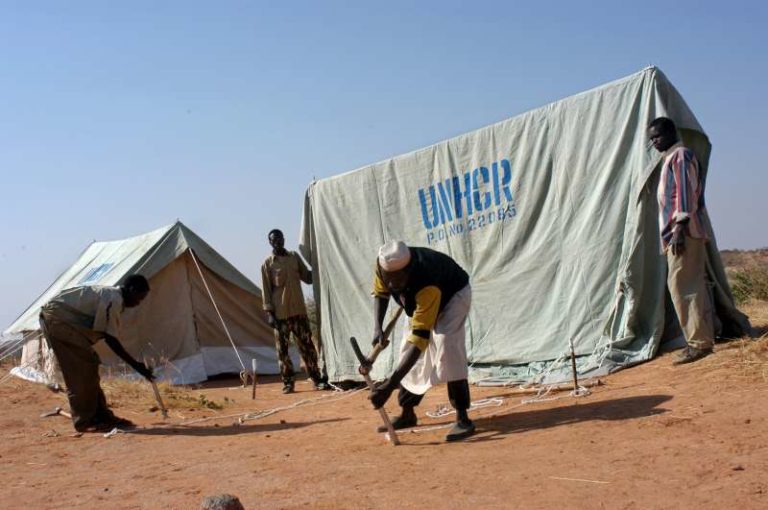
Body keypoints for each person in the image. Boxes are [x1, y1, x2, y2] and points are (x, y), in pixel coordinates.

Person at [367, 240, 475, 442]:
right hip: (418, 301)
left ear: (409, 270)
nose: (392, 284)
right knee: (406, 350)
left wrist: (389, 386)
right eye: (388, 278)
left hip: (453, 296)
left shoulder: (427, 280)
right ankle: (408, 413)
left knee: (447, 347)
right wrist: (377, 328)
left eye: (398, 279)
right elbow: (381, 294)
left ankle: (463, 418)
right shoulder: (383, 266)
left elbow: (420, 341)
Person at [38, 274, 154, 432]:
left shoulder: (114, 298)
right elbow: (110, 338)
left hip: (62, 320)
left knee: (90, 365)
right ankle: (84, 421)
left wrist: (138, 366)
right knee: (80, 372)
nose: (137, 303)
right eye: (139, 298)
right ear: (131, 290)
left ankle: (101, 415)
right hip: (58, 321)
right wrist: (137, 366)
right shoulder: (113, 300)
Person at [648, 117, 714, 365]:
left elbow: (686, 193)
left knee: (682, 287)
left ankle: (698, 344)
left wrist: (679, 228)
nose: (654, 142)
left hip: (683, 233)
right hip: (679, 232)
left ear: (670, 133)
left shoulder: (681, 156)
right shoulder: (671, 159)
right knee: (688, 285)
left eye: (657, 136)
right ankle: (701, 339)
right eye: (652, 139)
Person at [261, 229, 329, 393]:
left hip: (299, 311)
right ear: (270, 243)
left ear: (284, 239)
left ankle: (316, 378)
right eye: (274, 240)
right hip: (280, 314)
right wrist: (270, 313)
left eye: (280, 239)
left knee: (307, 346)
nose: (277, 242)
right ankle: (288, 382)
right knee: (283, 350)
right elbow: (266, 291)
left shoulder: (294, 257)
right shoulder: (268, 264)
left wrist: (325, 265)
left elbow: (307, 277)